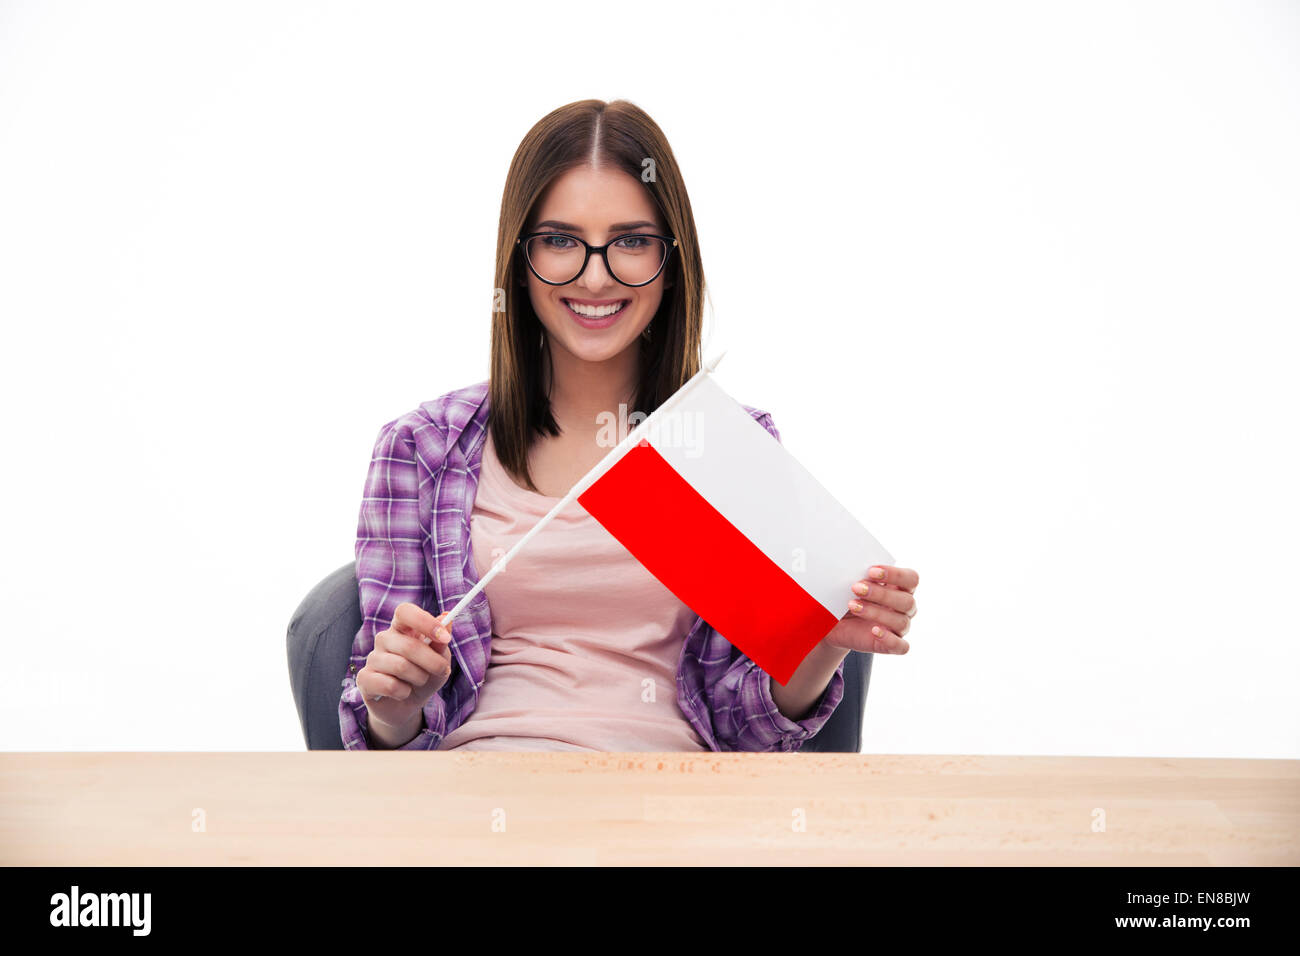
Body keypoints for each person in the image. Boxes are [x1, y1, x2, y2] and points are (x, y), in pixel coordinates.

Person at [339, 99, 920, 752]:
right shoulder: (422, 448)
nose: (595, 276)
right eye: (560, 241)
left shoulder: (729, 449)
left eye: (631, 242)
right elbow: (380, 727)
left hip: (675, 811)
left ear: (671, 260)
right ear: (518, 258)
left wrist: (817, 646)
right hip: (482, 802)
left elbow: (748, 732)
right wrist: (395, 704)